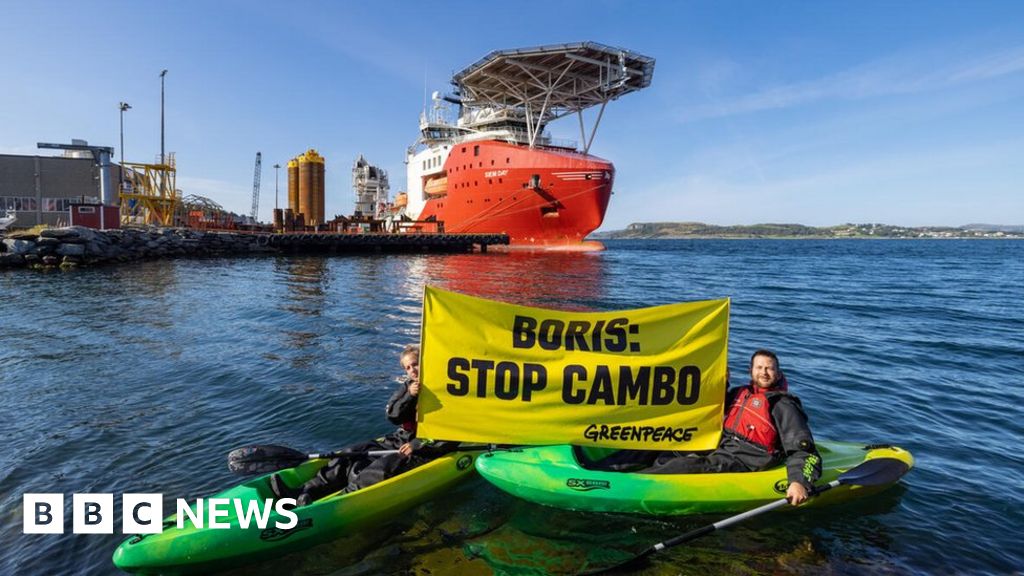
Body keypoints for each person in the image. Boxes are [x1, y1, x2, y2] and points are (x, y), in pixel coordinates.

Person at [270, 344, 453, 505]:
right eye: (408, 367)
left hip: (425, 446)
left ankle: (337, 501)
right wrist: (410, 396)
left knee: (382, 468)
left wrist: (418, 444)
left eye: (416, 364)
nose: (413, 370)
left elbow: (451, 430)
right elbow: (393, 416)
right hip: (400, 439)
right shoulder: (408, 388)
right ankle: (302, 492)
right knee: (350, 453)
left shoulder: (446, 390)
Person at [642, 349, 822, 504]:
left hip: (747, 457)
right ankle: (617, 468)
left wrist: (799, 482)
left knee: (685, 465)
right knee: (662, 446)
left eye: (769, 368)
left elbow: (805, 451)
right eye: (759, 367)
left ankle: (635, 483)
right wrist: (722, 381)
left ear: (778, 372)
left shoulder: (782, 404)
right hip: (721, 442)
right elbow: (711, 406)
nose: (764, 372)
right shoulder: (740, 392)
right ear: (750, 370)